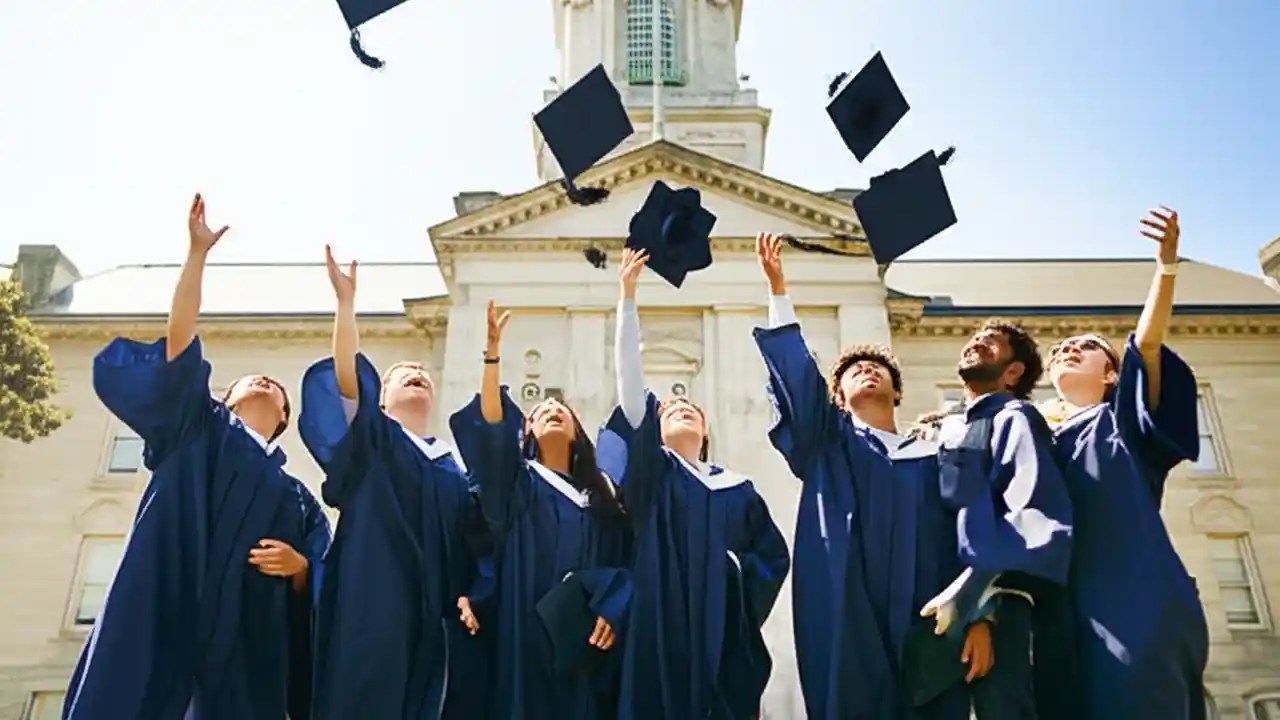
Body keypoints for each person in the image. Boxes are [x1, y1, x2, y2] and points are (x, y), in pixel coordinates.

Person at [64, 194, 331, 719]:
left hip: (246, 647)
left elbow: (325, 574)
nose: (264, 380)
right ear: (225, 398)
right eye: (251, 379)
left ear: (284, 417)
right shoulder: (198, 428)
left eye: (276, 386)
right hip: (166, 600)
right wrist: (196, 256)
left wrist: (301, 568)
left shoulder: (296, 498)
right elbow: (180, 345)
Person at [750, 232, 985, 720]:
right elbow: (798, 382)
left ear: (898, 392)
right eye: (853, 370)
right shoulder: (828, 446)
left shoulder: (936, 456)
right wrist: (778, 292)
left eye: (878, 368)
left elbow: (971, 539)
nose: (867, 371)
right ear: (837, 398)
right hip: (845, 605)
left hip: (929, 610)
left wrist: (980, 615)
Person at [297, 246, 496, 719]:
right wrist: (346, 306)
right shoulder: (374, 442)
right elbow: (348, 379)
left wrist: (478, 596)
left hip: (437, 624)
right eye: (403, 374)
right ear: (381, 399)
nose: (417, 374)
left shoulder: (457, 472)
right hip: (372, 605)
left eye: (424, 374)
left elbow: (481, 549)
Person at [597, 248, 790, 720]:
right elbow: (631, 390)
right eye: (670, 410)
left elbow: (771, 557)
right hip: (656, 623)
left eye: (692, 410)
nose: (681, 409)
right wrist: (627, 298)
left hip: (720, 628)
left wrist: (730, 575)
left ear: (706, 432)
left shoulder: (738, 490)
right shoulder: (653, 475)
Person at [1038, 207, 1207, 720]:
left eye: (1086, 347)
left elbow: (1147, 344)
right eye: (1060, 349)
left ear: (1114, 375)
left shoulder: (1123, 426)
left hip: (1132, 602)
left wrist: (1166, 267)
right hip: (1061, 616)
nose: (1069, 348)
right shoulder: (1035, 443)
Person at [447, 300, 633, 720]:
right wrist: (492, 357)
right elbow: (492, 429)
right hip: (524, 631)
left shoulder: (603, 500)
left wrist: (613, 604)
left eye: (562, 411)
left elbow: (626, 565)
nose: (552, 411)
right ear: (526, 430)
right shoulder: (516, 484)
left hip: (586, 644)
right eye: (541, 411)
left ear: (578, 432)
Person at [917, 315, 1074, 720]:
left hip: (992, 599)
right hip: (934, 600)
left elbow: (1028, 512)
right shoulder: (949, 428)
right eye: (974, 337)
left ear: (1013, 372)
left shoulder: (1014, 417)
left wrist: (979, 607)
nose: (976, 343)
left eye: (991, 342)